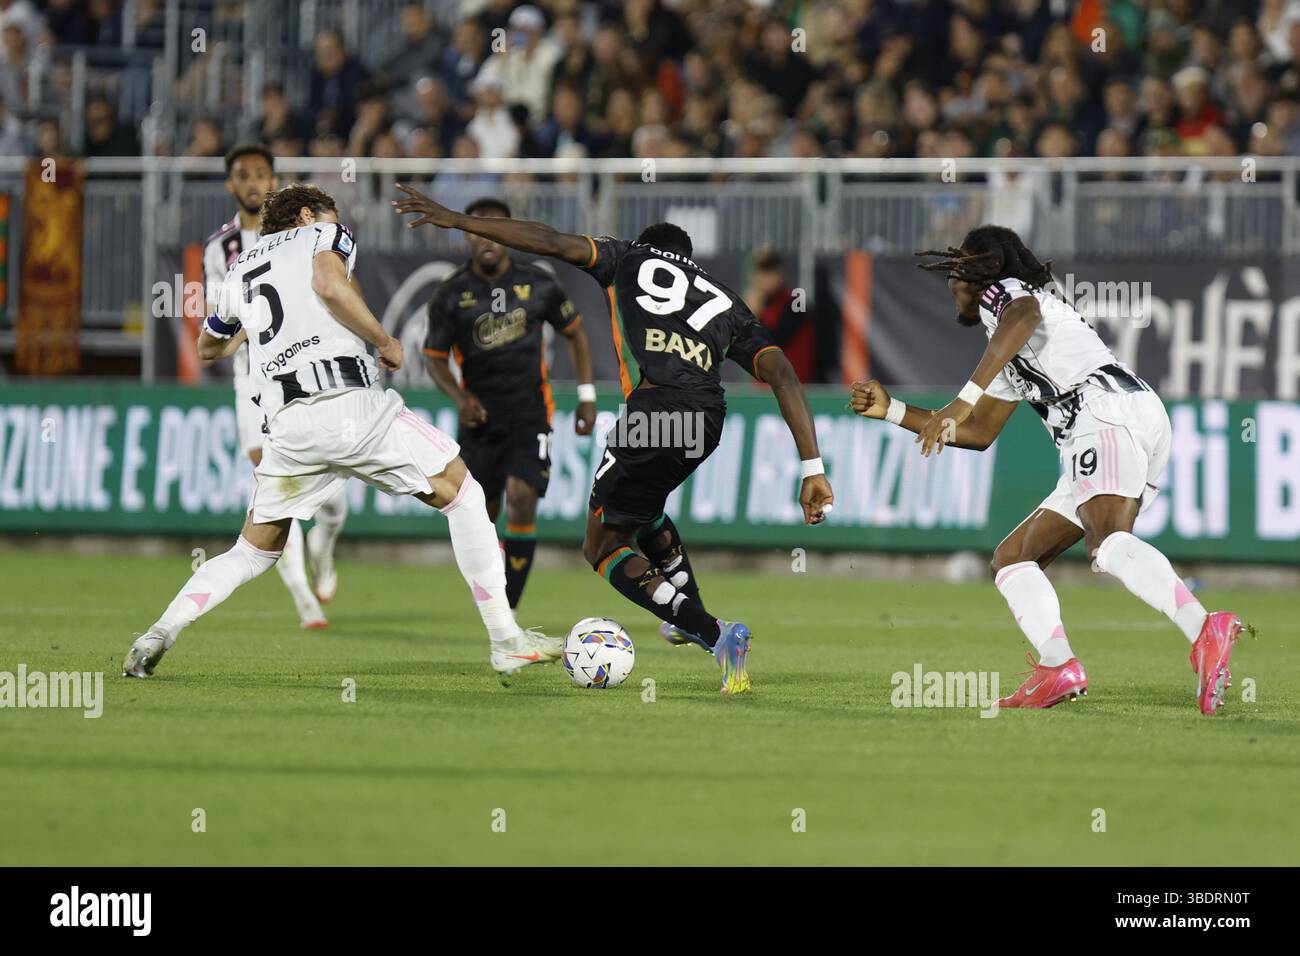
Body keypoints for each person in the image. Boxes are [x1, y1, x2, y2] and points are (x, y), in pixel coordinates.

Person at [394, 183, 834, 694]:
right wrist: (813, 468)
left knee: (601, 546)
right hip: (707, 418)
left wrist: (458, 219)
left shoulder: (626, 256)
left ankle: (713, 632)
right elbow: (781, 372)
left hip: (653, 413)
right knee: (642, 511)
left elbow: (549, 240)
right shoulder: (724, 300)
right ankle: (683, 610)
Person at [125, 184, 558, 680]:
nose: (339, 221)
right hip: (351, 406)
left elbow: (208, 347)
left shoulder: (241, 266)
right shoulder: (324, 233)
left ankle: (159, 631)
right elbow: (330, 285)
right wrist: (385, 340)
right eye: (333, 214)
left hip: (287, 428)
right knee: (464, 494)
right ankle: (505, 639)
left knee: (252, 550)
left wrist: (260, 328)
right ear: (309, 214)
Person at [850, 225, 1248, 714]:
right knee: (1013, 559)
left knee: (1106, 543)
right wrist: (894, 410)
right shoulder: (1014, 344)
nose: (951, 283)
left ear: (976, 271)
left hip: (1101, 414)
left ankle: (1204, 627)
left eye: (957, 270)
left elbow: (1021, 314)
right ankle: (1058, 665)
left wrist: (961, 398)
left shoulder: (1010, 297)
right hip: (1123, 415)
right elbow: (977, 433)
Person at [423, 196, 596, 609]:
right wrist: (460, 398)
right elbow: (433, 361)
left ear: (506, 233)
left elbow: (576, 333)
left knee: (522, 496)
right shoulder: (451, 295)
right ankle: (494, 586)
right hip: (479, 418)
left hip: (530, 413)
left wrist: (586, 395)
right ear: (467, 236)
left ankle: (510, 609)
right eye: (477, 228)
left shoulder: (539, 283)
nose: (486, 238)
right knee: (483, 511)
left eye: (495, 228)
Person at [203, 145, 348, 628]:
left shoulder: (302, 233)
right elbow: (219, 318)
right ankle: (305, 602)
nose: (252, 182)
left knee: (332, 498)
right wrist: (256, 330)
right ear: (230, 184)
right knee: (274, 483)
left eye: (261, 173)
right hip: (254, 378)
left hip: (312, 366)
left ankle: (324, 551)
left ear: (274, 178)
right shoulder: (219, 249)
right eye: (242, 174)